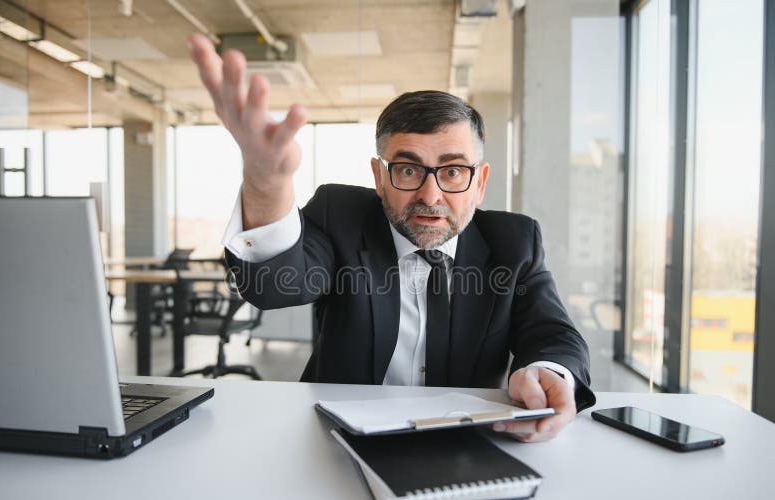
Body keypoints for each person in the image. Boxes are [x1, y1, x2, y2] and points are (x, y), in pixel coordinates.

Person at [188, 33, 596, 442]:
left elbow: (554, 334)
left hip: (470, 440)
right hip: (338, 439)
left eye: (453, 171)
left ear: (480, 182)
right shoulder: (341, 215)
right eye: (408, 169)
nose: (431, 195)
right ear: (380, 178)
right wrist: (266, 182)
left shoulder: (514, 241)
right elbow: (273, 287)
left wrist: (547, 371)